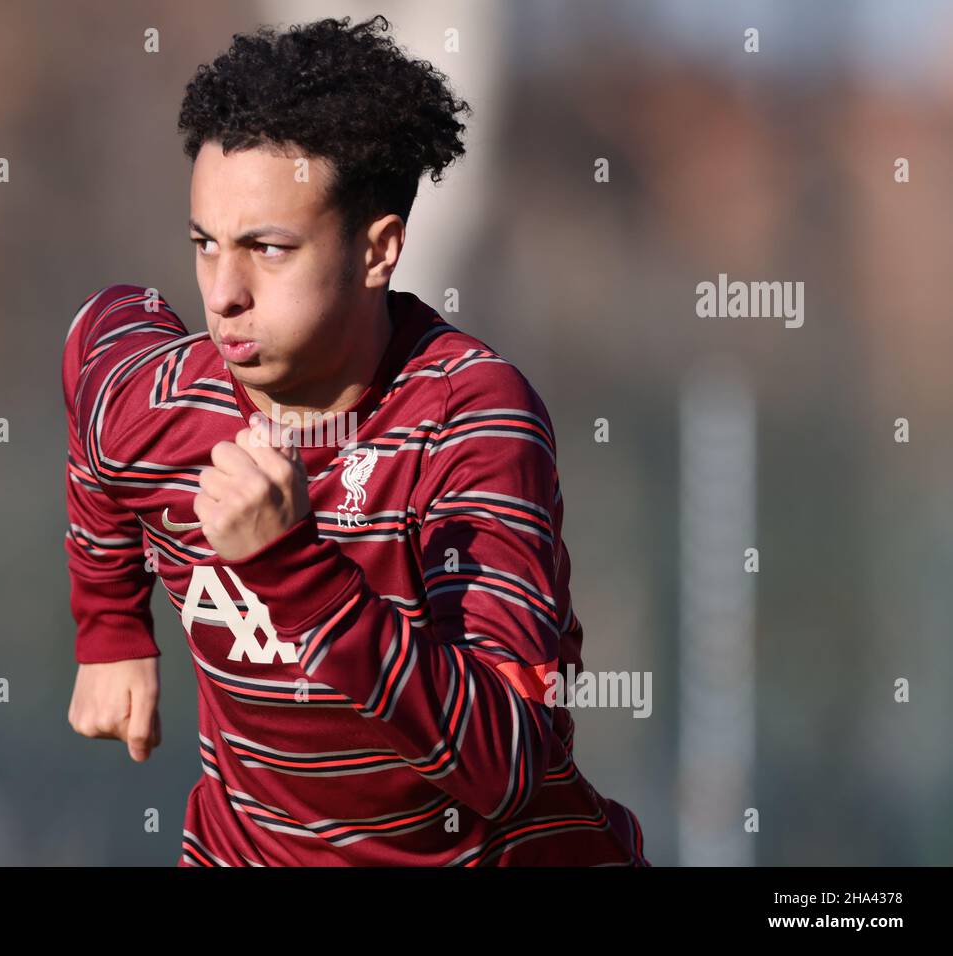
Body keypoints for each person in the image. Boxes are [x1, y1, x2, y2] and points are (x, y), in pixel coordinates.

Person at [63, 14, 647, 866]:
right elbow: (96, 344)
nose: (222, 293)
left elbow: (506, 760)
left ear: (379, 251)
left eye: (268, 248)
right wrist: (109, 626)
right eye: (204, 245)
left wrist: (292, 571)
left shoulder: (472, 422)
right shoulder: (161, 402)